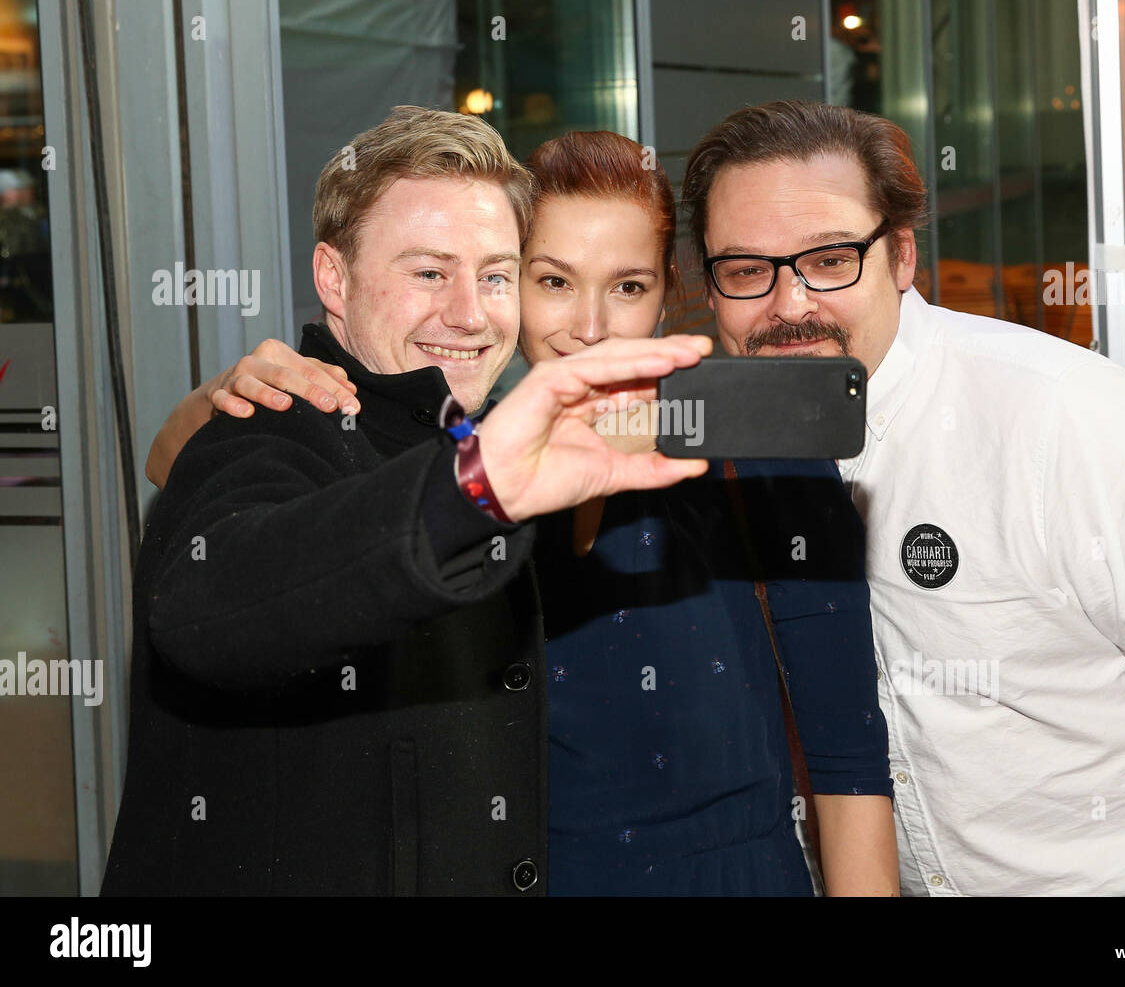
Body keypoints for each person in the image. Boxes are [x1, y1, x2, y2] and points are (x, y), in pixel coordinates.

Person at [144, 128, 898, 896]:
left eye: (629, 286)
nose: (590, 327)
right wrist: (236, 394)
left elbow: (848, 758)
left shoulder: (756, 448)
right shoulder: (459, 459)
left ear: (669, 292)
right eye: (553, 282)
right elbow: (225, 541)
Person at [680, 99, 1125, 896]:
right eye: (745, 271)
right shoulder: (728, 448)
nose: (789, 303)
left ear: (901, 257)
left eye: (831, 258)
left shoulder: (1063, 414)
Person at [101, 106, 713, 896]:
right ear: (334, 277)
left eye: (496, 275)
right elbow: (211, 606)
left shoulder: (471, 439)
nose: (469, 313)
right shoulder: (263, 432)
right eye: (429, 272)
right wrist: (471, 490)